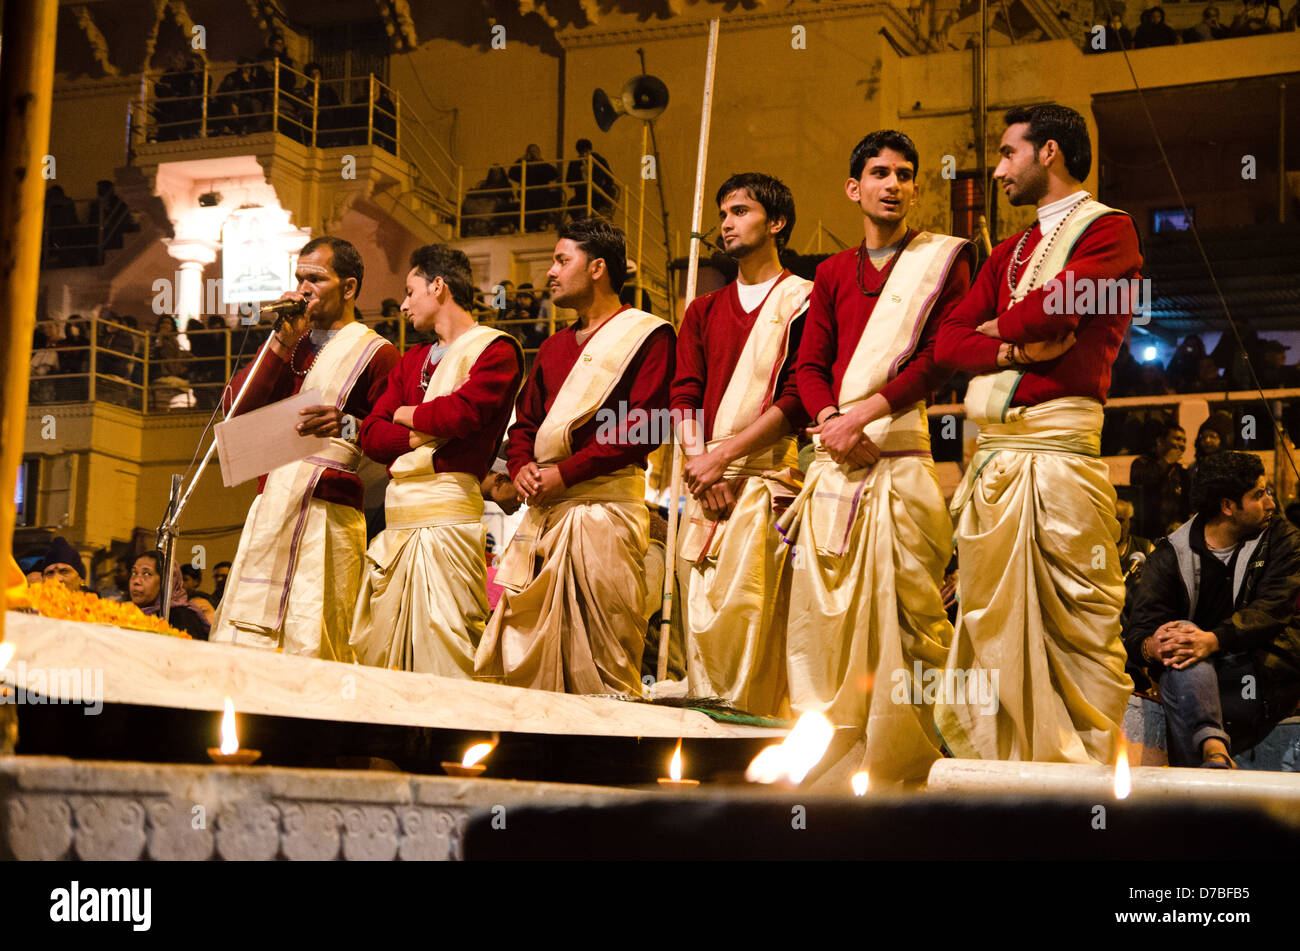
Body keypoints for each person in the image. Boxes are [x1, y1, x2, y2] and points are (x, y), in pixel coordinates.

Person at [933, 103, 1139, 765]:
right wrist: (1014, 346)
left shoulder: (1111, 230)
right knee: (992, 632)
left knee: (1075, 633)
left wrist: (994, 328)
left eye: (1006, 154)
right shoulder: (1015, 250)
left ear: (1048, 152)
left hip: (1057, 463)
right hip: (996, 468)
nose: (996, 170)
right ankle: (998, 782)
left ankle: (1074, 792)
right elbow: (947, 341)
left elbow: (1061, 306)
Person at [779, 131, 974, 783]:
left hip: (901, 461)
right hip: (836, 462)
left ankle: (906, 766)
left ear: (917, 188)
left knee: (907, 620)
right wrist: (832, 419)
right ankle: (832, 754)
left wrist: (863, 413)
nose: (893, 184)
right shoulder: (833, 272)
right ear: (853, 188)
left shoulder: (943, 261)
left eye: (906, 174)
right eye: (880, 172)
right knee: (824, 623)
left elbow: (939, 357)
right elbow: (810, 364)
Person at [475, 217, 674, 695]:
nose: (550, 272)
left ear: (598, 267)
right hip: (545, 514)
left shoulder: (648, 335)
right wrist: (521, 467)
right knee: (524, 651)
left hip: (605, 516)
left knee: (600, 662)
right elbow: (525, 424)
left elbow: (646, 424)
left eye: (562, 260)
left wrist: (566, 472)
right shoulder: (553, 345)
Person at [209, 236, 400, 659]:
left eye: (316, 278)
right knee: (248, 640)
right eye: (299, 278)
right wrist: (278, 342)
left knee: (314, 635)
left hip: (327, 513)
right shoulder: (289, 341)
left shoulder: (378, 353)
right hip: (272, 503)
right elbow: (236, 410)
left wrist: (348, 425)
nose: (303, 288)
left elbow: (398, 439)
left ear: (349, 288)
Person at [668, 173, 812, 716]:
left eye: (741, 211)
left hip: (766, 488)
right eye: (723, 213)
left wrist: (721, 459)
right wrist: (698, 466)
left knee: (758, 631)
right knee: (701, 635)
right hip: (704, 491)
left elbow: (799, 397)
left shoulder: (804, 300)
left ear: (776, 223)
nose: (726, 223)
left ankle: (759, 758)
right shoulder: (702, 310)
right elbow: (682, 393)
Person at [351, 246, 523, 675]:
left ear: (438, 286)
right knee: (383, 652)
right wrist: (422, 430)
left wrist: (404, 413)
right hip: (398, 524)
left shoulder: (496, 350)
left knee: (449, 649)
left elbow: (462, 414)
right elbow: (371, 434)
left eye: (411, 291)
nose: (405, 304)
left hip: (449, 519)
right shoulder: (411, 360)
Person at [1123, 452, 1300, 767]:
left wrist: (1211, 641)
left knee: (1189, 649)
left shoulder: (1282, 539)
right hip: (1198, 678)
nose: (1271, 503)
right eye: (1259, 495)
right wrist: (1155, 646)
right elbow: (1138, 632)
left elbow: (1272, 610)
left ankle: (1211, 758)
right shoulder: (1169, 555)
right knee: (1182, 647)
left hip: (1265, 672)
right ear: (1228, 507)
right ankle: (1214, 752)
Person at [129, 551, 210, 639]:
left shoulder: (182, 617)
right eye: (134, 573)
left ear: (168, 581)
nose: (136, 581)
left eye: (147, 574)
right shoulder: (129, 613)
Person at [1130, 422, 1190, 539]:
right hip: (1147, 535)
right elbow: (1141, 481)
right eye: (1177, 439)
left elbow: (1187, 504)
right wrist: (1166, 462)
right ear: (1160, 442)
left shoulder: (1181, 472)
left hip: (1175, 535)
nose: (1182, 444)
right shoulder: (1142, 463)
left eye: (1184, 441)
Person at [508, 144, 563, 232]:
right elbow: (511, 174)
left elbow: (555, 174)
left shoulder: (542, 164)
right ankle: (530, 225)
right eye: (531, 151)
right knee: (529, 201)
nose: (533, 153)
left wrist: (541, 162)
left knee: (539, 199)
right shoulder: (523, 164)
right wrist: (521, 161)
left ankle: (540, 223)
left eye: (535, 151)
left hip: (541, 193)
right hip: (527, 193)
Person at [566, 138, 617, 218]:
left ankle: (587, 221)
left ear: (590, 150)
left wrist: (602, 190)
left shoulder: (599, 161)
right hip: (581, 195)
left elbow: (609, 178)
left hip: (597, 194)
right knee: (572, 206)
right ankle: (581, 224)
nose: (584, 155)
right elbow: (569, 181)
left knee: (581, 205)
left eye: (586, 151)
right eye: (581, 152)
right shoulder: (575, 164)